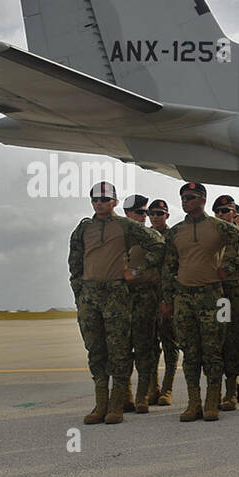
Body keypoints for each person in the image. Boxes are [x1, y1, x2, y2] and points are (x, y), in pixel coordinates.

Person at [68, 181, 163, 424]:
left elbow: (158, 245)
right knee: (96, 350)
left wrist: (136, 271)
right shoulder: (83, 229)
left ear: (115, 202)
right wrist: (79, 294)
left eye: (104, 199)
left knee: (119, 350)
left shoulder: (125, 226)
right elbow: (75, 265)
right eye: (95, 199)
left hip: (115, 294)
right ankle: (100, 404)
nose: (99, 203)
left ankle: (117, 404)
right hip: (90, 295)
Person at [161, 182, 239, 422]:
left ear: (203, 200)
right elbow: (168, 268)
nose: (185, 200)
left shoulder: (219, 227)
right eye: (183, 197)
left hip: (213, 297)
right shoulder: (176, 232)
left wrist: (230, 268)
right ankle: (193, 402)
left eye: (191, 197)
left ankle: (212, 401)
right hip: (184, 297)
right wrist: (167, 300)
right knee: (190, 351)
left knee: (213, 351)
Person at [213, 195, 239, 409]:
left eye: (226, 210)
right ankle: (230, 390)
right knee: (225, 339)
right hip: (221, 296)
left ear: (235, 214)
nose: (222, 214)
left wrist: (226, 270)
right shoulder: (213, 236)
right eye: (218, 211)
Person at [122, 194, 162, 413]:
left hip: (146, 297)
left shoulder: (151, 237)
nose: (144, 217)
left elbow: (160, 257)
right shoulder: (118, 235)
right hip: (122, 298)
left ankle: (142, 396)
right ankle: (125, 395)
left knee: (145, 347)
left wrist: (137, 271)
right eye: (140, 212)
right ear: (128, 213)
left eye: (146, 212)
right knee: (122, 348)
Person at [146, 199, 178, 405]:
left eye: (160, 213)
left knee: (170, 345)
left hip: (170, 298)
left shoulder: (174, 237)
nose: (156, 217)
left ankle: (167, 389)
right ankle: (152, 388)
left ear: (167, 216)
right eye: (153, 213)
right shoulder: (144, 236)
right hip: (148, 298)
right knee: (150, 346)